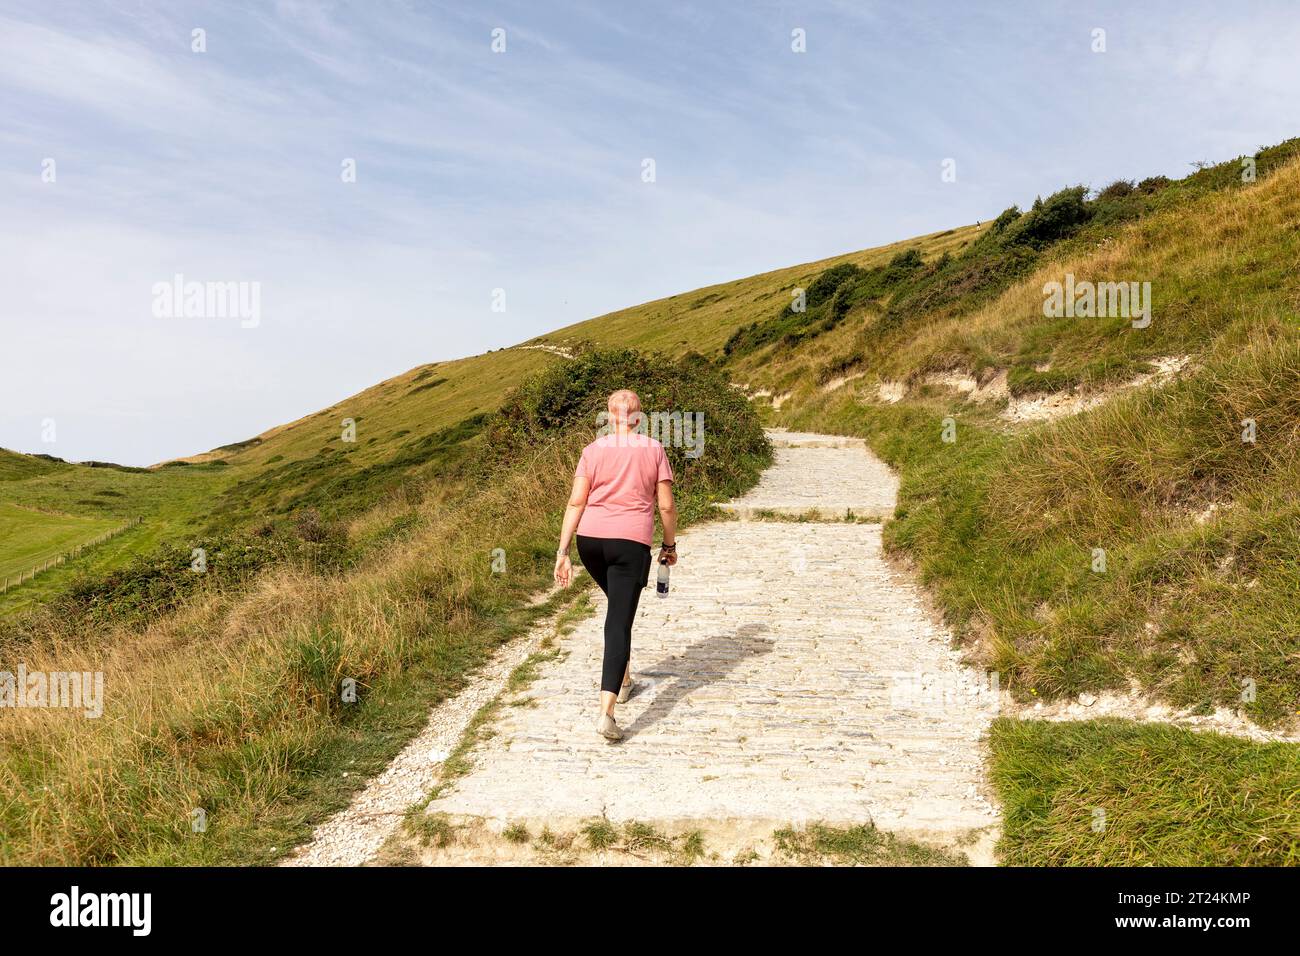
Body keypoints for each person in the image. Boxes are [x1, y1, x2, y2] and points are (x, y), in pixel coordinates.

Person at [553, 389, 678, 740]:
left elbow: (576, 502)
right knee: (619, 622)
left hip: (590, 544)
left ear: (609, 418)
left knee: (618, 610)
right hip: (629, 544)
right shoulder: (653, 449)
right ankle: (606, 713)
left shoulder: (592, 451)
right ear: (638, 418)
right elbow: (666, 506)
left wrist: (562, 552)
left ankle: (624, 680)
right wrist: (669, 545)